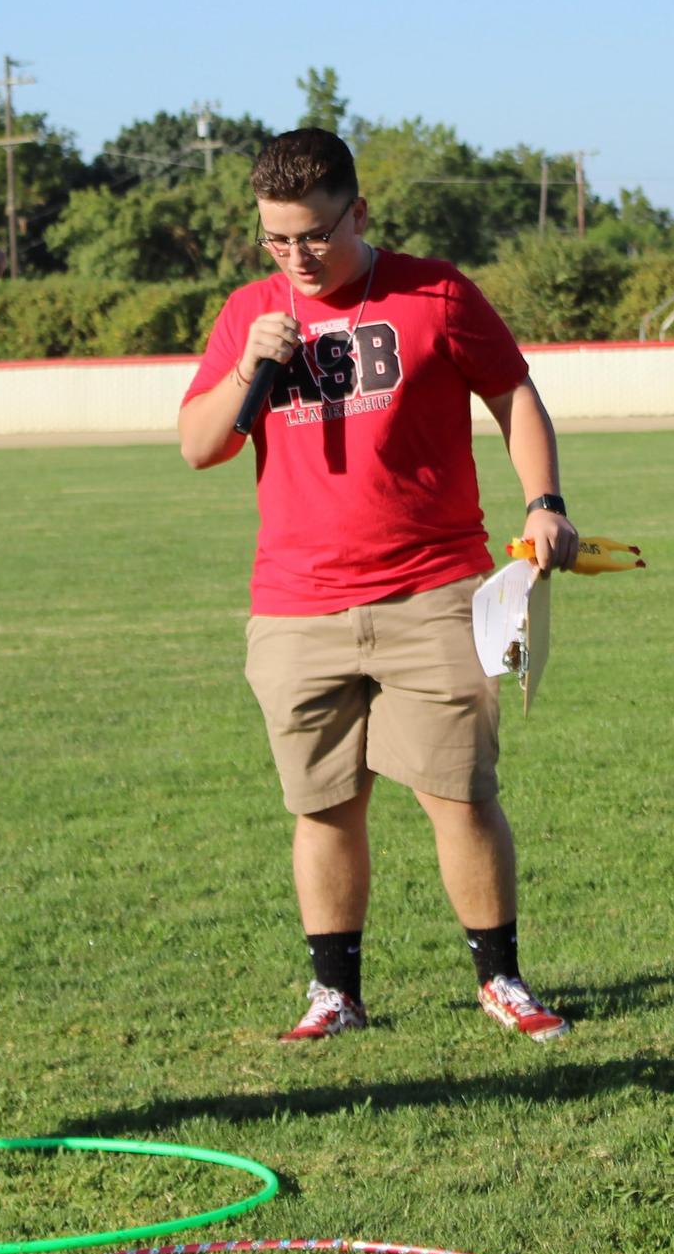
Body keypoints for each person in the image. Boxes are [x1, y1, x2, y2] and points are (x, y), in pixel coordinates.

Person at [179, 128, 578, 1044]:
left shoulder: (434, 291)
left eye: (315, 235)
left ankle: (500, 979)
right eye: (277, 239)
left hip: (431, 589)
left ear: (358, 211)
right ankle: (336, 996)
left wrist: (544, 500)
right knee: (323, 804)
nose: (296, 257)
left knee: (460, 792)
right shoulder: (248, 313)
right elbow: (200, 444)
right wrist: (247, 364)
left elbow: (514, 394)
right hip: (296, 605)